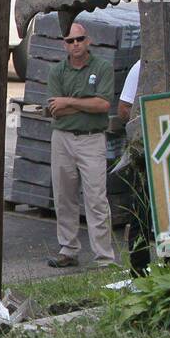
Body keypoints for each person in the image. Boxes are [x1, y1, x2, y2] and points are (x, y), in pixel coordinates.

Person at [45, 22, 116, 268]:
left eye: (79, 39)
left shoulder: (103, 67)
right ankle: (68, 249)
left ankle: (104, 257)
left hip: (91, 137)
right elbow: (55, 109)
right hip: (62, 137)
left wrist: (68, 102)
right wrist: (83, 102)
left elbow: (104, 105)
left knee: (96, 198)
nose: (75, 44)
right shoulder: (57, 72)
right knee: (64, 196)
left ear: (88, 41)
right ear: (64, 44)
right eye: (70, 40)